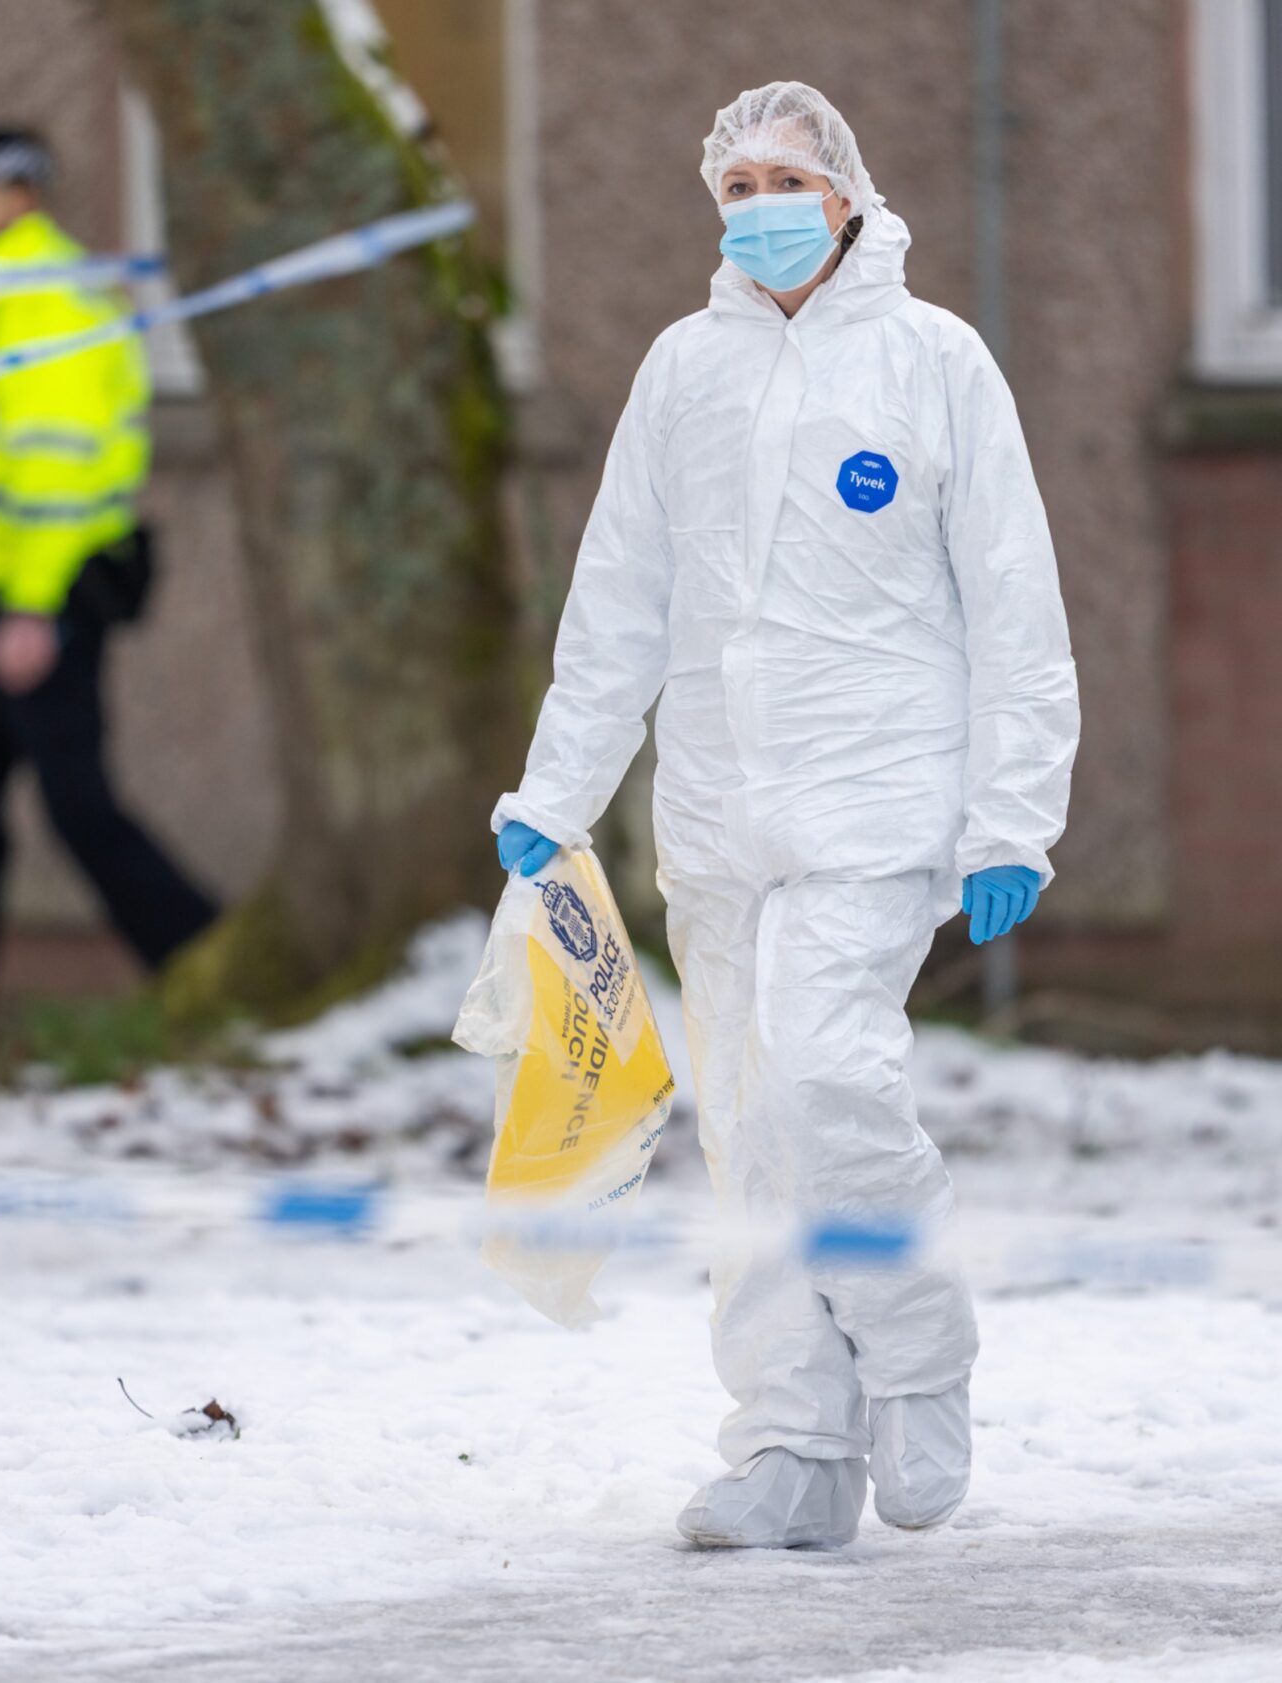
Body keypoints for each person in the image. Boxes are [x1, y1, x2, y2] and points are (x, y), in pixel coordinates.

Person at [492, 83, 1078, 1548]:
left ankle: (918, 1355)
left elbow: (1017, 606)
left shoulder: (934, 361)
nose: (755, 200)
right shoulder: (683, 370)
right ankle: (791, 1441)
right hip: (716, 815)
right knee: (747, 1130)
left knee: (830, 1077)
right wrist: (555, 792)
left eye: (783, 176)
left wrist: (1011, 816)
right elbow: (617, 601)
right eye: (733, 180)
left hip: (879, 798)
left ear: (847, 194)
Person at [0, 126, 215, 1059]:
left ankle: (202, 958)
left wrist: (32, 607)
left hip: (41, 587)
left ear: (21, 195)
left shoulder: (43, 293)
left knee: (78, 808)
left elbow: (57, 462)